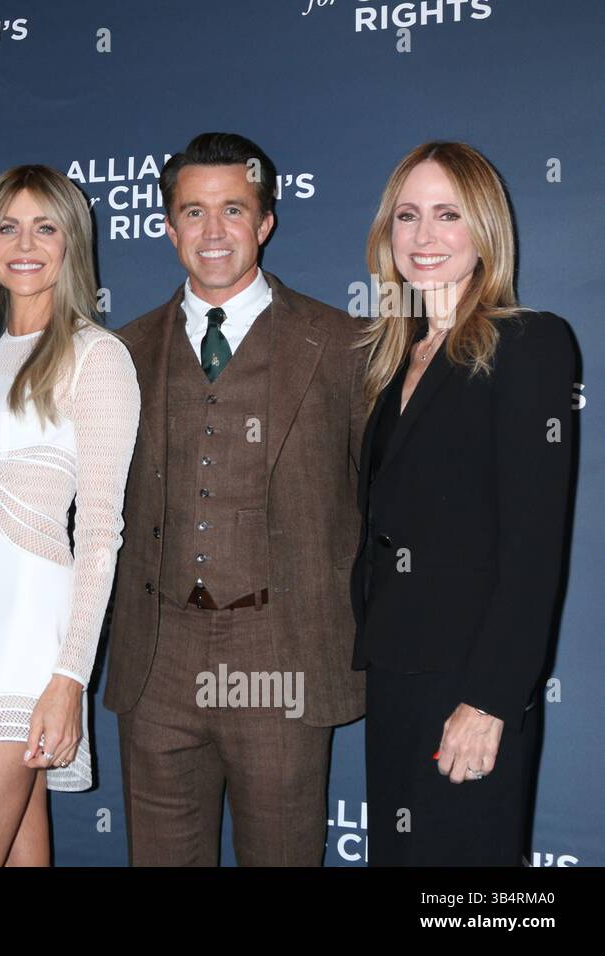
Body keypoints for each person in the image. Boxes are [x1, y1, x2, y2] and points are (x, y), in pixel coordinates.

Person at [106, 132, 367, 866]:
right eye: (193, 212)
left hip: (280, 654)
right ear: (167, 226)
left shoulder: (342, 344)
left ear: (266, 222)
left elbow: (386, 502)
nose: (212, 232)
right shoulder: (120, 353)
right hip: (156, 657)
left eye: (233, 210)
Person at [351, 142, 575, 866]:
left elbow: (535, 546)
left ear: (485, 231)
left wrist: (490, 701)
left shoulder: (529, 343)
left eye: (448, 215)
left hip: (472, 684)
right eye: (407, 215)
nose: (423, 237)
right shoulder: (393, 361)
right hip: (395, 673)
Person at [0, 165, 140, 867]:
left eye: (46, 226)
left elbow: (102, 533)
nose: (25, 242)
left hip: (24, 649)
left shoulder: (97, 356)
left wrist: (68, 677)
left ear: (73, 244)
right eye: (7, 226)